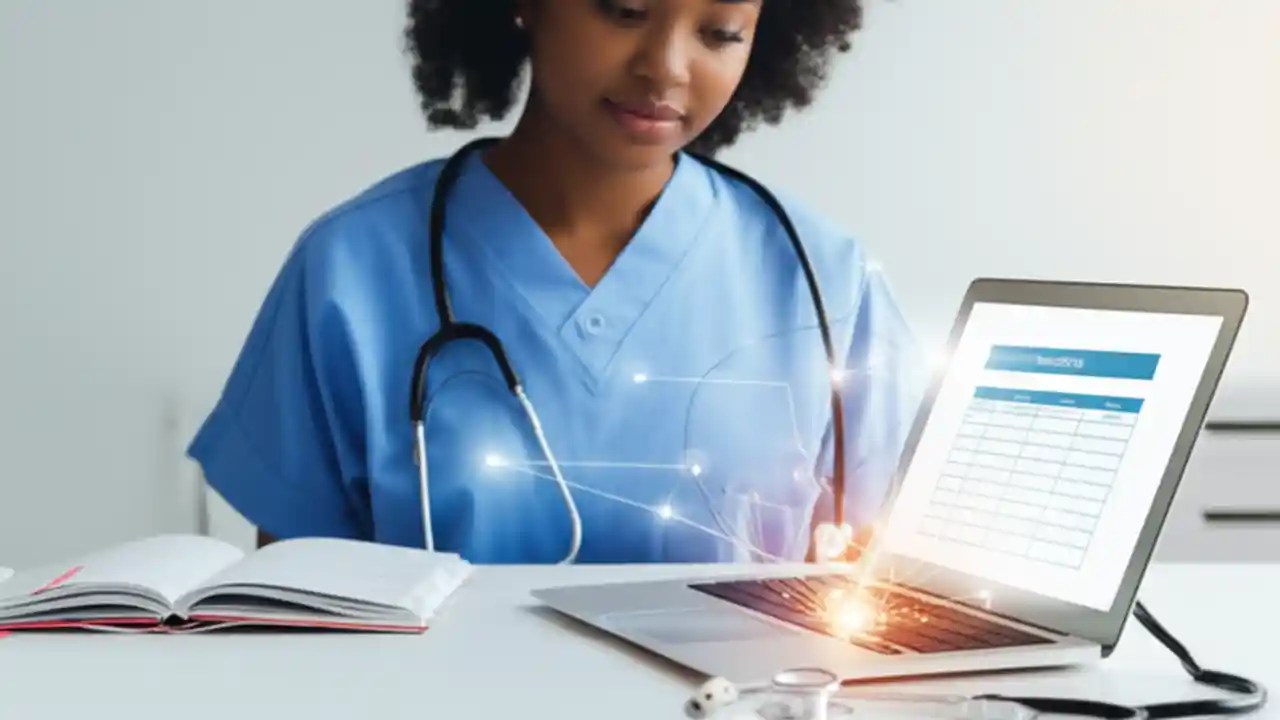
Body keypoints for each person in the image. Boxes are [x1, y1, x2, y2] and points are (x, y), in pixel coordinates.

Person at [188, 0, 927, 564]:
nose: (667, 67)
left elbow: (874, 601)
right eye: (625, 10)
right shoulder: (349, 270)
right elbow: (295, 620)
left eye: (720, 32)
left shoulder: (826, 281)